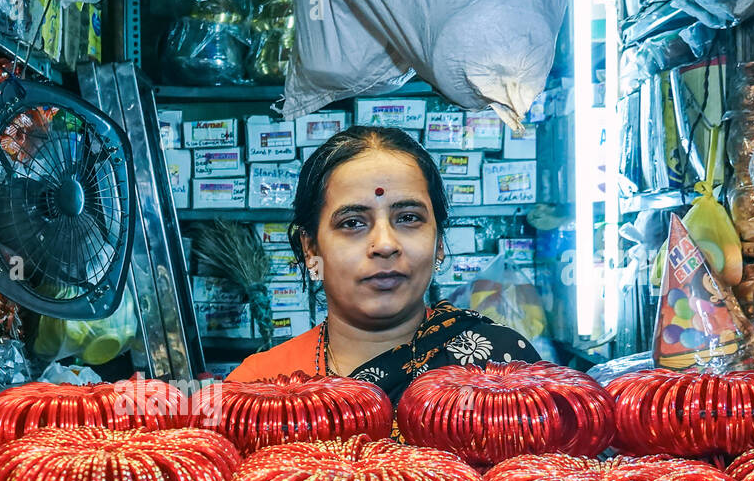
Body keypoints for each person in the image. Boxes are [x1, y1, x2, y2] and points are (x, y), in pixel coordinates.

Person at [226, 125, 540, 403]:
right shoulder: (256, 386)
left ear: (439, 242)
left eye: (408, 218)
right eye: (352, 223)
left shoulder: (504, 371)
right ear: (311, 249)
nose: (386, 245)